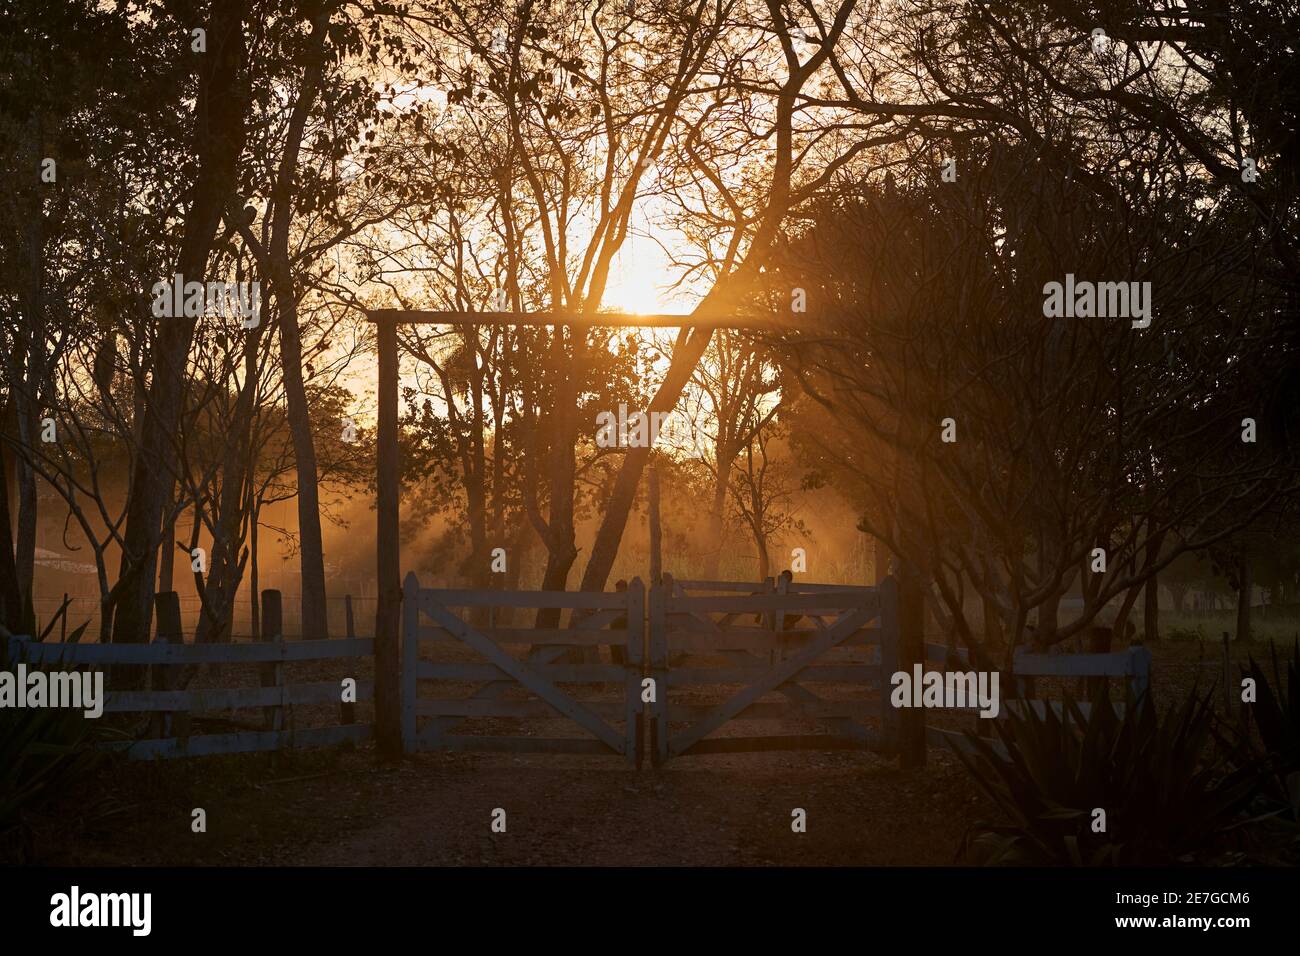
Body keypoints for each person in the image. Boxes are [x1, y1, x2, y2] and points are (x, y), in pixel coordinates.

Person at [610, 579, 629, 666]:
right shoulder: (613, 599)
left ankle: (625, 663)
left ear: (626, 588)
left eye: (622, 587)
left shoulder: (630, 599)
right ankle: (617, 665)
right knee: (615, 648)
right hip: (615, 626)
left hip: (624, 626)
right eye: (618, 588)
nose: (619, 590)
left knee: (624, 647)